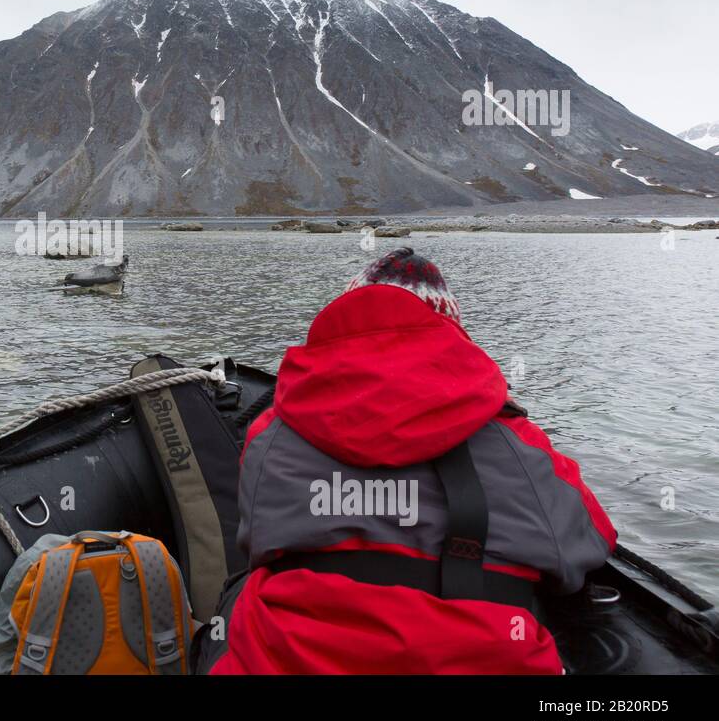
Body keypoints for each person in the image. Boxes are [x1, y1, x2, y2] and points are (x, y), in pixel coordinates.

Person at [211, 247, 616, 674]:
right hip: (483, 661)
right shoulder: (518, 442)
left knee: (238, 594)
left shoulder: (271, 433)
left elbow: (256, 541)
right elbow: (590, 541)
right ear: (452, 332)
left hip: (283, 662)